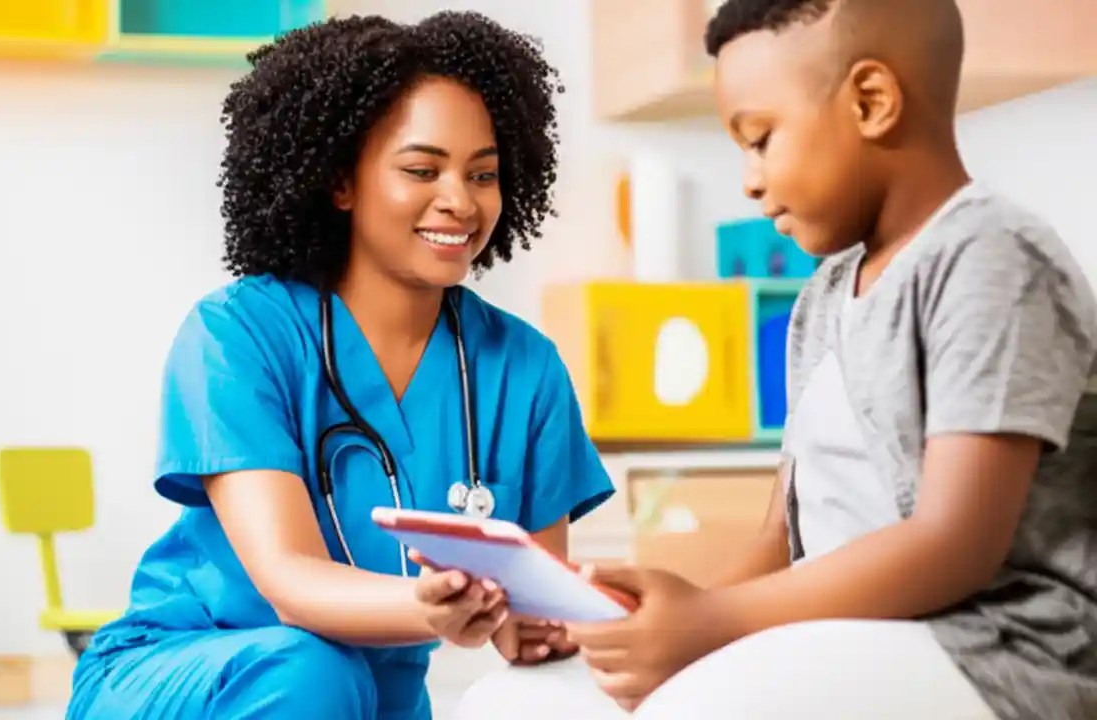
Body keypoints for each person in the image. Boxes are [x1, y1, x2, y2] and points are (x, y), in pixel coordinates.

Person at [455, 0, 1097, 718]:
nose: (750, 180)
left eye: (760, 140)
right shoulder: (824, 296)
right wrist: (655, 621)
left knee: (698, 708)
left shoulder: (992, 258)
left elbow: (955, 545)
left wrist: (710, 623)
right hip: (842, 639)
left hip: (1000, 650)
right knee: (511, 702)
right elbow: (781, 537)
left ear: (872, 102)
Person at [64, 11, 615, 720]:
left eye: (483, 174)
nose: (460, 200)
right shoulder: (238, 335)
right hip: (187, 671)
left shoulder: (526, 370)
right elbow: (290, 581)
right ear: (340, 181)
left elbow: (532, 609)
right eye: (422, 170)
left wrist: (540, 626)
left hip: (371, 697)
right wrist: (427, 607)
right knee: (311, 671)